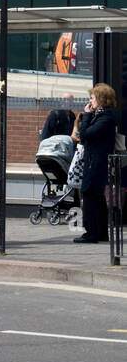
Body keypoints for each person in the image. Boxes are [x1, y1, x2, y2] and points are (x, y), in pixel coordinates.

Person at [71, 82, 118, 244]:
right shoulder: (103, 115)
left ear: (101, 99)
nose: (90, 101)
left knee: (90, 194)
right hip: (95, 161)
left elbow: (85, 135)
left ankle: (91, 233)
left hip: (96, 162)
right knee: (96, 196)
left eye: (92, 98)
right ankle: (101, 233)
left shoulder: (105, 117)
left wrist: (87, 114)